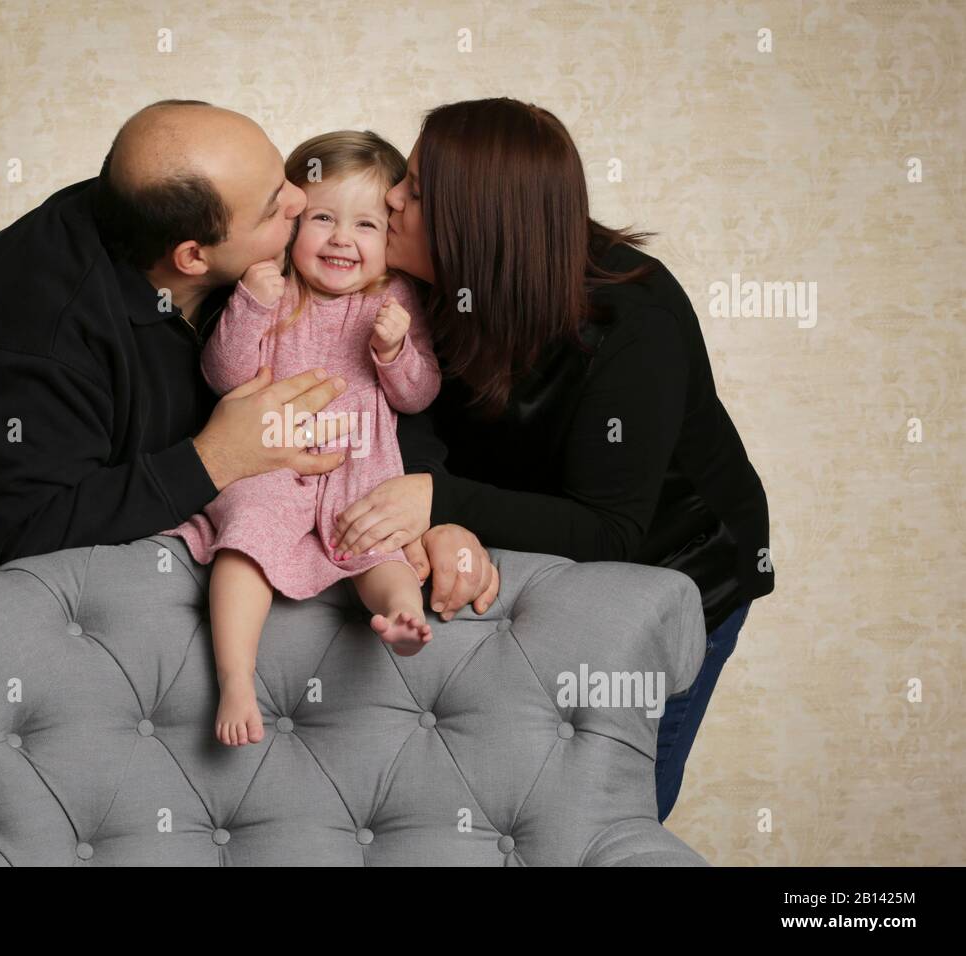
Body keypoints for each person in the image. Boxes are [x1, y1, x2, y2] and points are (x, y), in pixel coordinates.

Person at [0, 100, 496, 849]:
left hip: (104, 487)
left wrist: (431, 498)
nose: (303, 203)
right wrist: (219, 457)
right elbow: (27, 532)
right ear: (192, 257)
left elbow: (405, 402)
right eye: (278, 205)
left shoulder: (182, 214)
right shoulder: (40, 335)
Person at [329, 97, 776, 822]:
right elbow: (414, 407)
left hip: (679, 565)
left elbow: (610, 532)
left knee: (604, 806)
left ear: (473, 220)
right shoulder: (431, 285)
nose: (391, 197)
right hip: (540, 550)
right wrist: (440, 509)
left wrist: (442, 504)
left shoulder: (636, 326)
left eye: (414, 188)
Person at [161, 131, 442, 747]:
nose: (343, 238)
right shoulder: (271, 288)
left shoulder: (395, 298)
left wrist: (395, 353)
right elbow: (224, 375)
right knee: (245, 540)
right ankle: (236, 678)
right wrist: (250, 309)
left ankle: (402, 616)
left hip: (359, 466)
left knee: (379, 549)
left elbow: (417, 395)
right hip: (270, 459)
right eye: (322, 217)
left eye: (366, 224)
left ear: (388, 240)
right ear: (291, 222)